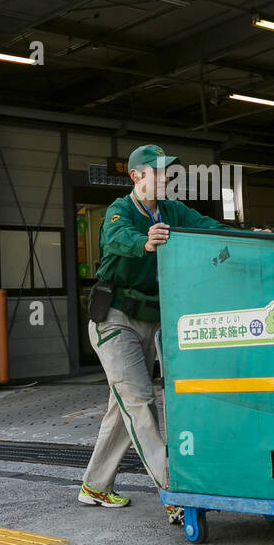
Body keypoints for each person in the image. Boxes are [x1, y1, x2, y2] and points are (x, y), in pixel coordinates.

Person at [78, 144, 234, 524]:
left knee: (124, 408)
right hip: (114, 322)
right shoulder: (120, 211)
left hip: (152, 322)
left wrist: (246, 237)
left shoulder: (172, 211)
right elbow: (116, 240)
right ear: (137, 177)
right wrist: (144, 242)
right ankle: (174, 491)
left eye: (168, 173)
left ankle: (94, 487)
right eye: (159, 172)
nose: (166, 178)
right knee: (141, 403)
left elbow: (206, 227)